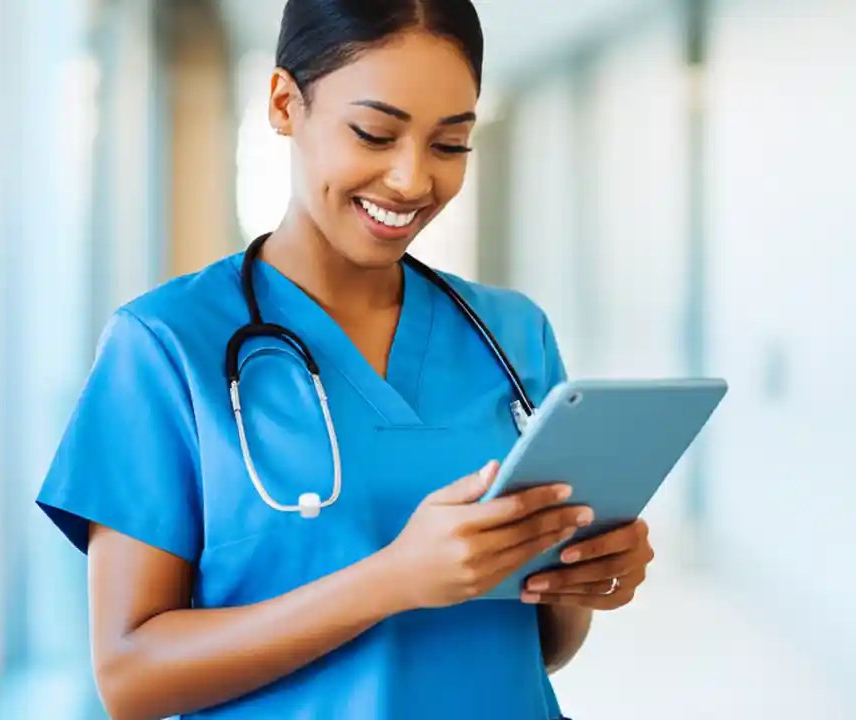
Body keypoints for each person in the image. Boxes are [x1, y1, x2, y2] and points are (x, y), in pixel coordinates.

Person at [36, 0, 655, 717]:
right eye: (374, 132)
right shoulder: (166, 345)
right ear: (283, 104)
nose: (410, 180)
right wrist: (392, 580)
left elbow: (535, 646)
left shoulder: (514, 336)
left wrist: (580, 577)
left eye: (449, 145)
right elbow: (129, 677)